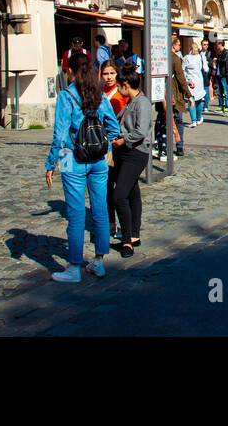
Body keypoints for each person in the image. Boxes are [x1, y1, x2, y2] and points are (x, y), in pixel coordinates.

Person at [45, 52, 120, 283]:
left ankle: (74, 267)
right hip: (98, 159)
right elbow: (114, 127)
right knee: (100, 210)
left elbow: (59, 135)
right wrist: (103, 144)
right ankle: (99, 261)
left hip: (71, 157)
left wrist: (50, 164)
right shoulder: (99, 94)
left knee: (76, 214)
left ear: (70, 71)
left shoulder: (66, 96)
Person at [107, 65, 152, 256]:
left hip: (136, 153)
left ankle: (126, 241)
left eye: (119, 86)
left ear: (125, 85)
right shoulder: (131, 101)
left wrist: (123, 140)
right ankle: (134, 235)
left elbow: (141, 132)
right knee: (133, 192)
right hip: (125, 153)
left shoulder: (142, 102)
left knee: (119, 196)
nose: (118, 89)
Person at [182, 38, 208, 127]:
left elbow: (182, 69)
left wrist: (187, 79)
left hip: (191, 81)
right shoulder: (200, 57)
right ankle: (198, 119)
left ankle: (193, 120)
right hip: (199, 80)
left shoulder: (186, 58)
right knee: (199, 100)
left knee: (191, 100)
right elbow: (206, 69)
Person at [212, 40, 228, 115]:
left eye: (217, 44)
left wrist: (217, 59)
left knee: (226, 91)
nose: (216, 46)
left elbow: (226, 61)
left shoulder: (226, 52)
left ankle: (227, 106)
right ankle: (220, 105)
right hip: (218, 74)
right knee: (219, 92)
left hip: (224, 74)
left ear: (220, 44)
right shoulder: (219, 53)